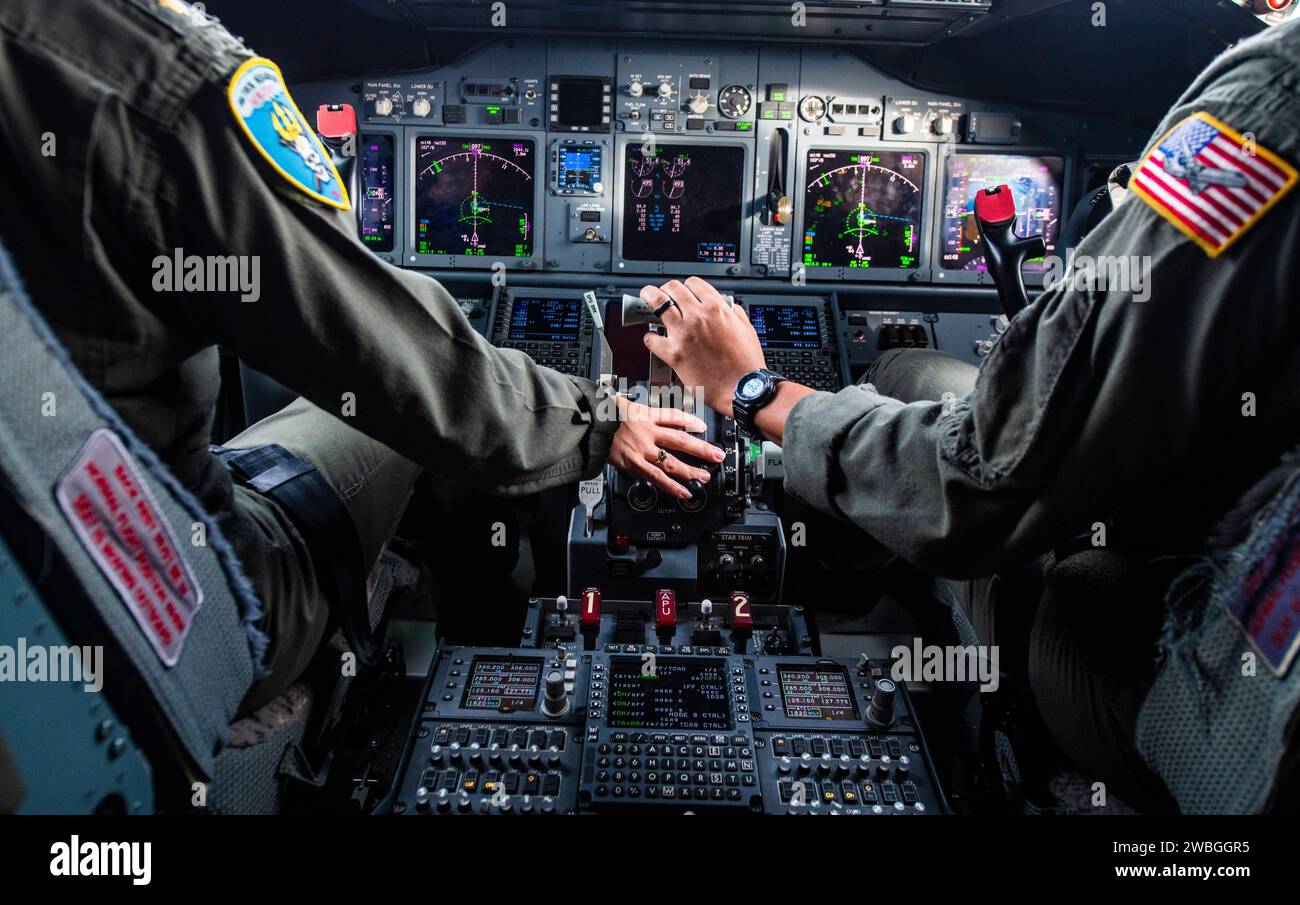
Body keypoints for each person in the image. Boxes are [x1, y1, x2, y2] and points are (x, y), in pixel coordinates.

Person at [641, 19, 1300, 811]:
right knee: (912, 376)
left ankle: (878, 622)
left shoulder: (1275, 102)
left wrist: (752, 390)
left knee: (1074, 590)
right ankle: (849, 600)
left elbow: (981, 484)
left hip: (1261, 732)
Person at [0, 0, 723, 714]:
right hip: (178, 590)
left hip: (69, 558)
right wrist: (602, 419)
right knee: (417, 409)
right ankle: (485, 634)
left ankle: (475, 636)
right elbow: (390, 357)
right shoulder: (147, 67)